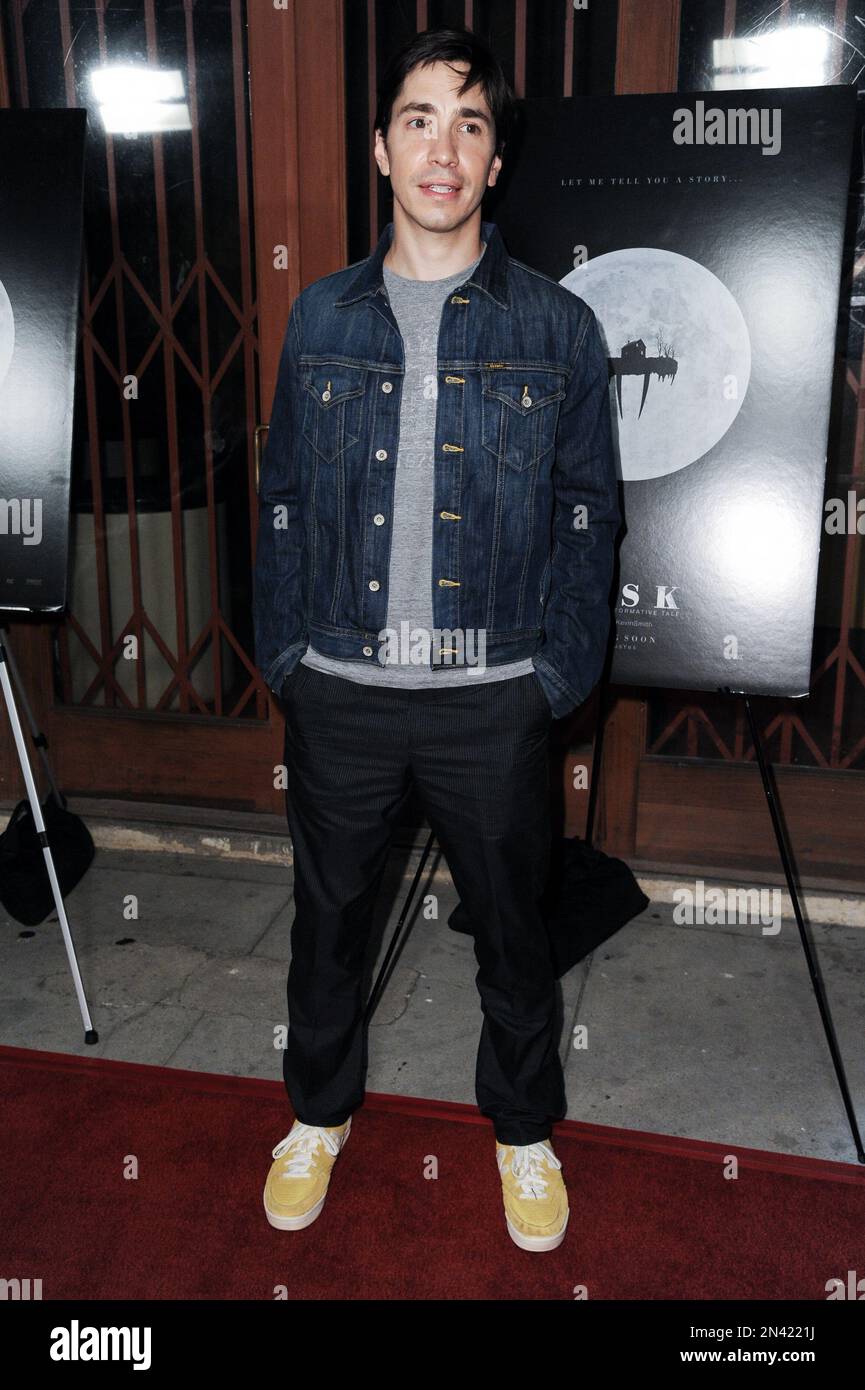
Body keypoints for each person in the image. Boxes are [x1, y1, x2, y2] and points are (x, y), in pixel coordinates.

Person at [253, 24, 620, 1252]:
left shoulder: (557, 327)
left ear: (495, 158)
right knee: (326, 925)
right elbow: (284, 502)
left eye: (470, 124)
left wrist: (555, 676)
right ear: (380, 147)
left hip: (494, 695)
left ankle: (523, 1133)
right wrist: (289, 658)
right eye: (419, 119)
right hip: (342, 690)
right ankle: (318, 1114)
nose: (443, 149)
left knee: (515, 930)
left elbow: (586, 514)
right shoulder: (319, 320)